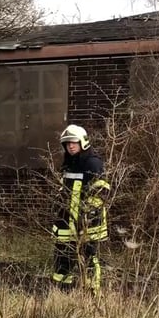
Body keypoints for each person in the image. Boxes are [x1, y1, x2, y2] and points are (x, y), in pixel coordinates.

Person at [50, 124, 110, 293]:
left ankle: (91, 293)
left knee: (89, 259)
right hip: (66, 220)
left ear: (82, 142)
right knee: (62, 257)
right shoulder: (68, 164)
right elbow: (64, 189)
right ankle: (61, 292)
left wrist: (87, 214)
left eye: (73, 142)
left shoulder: (93, 163)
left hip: (88, 223)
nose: (70, 146)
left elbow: (101, 190)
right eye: (67, 143)